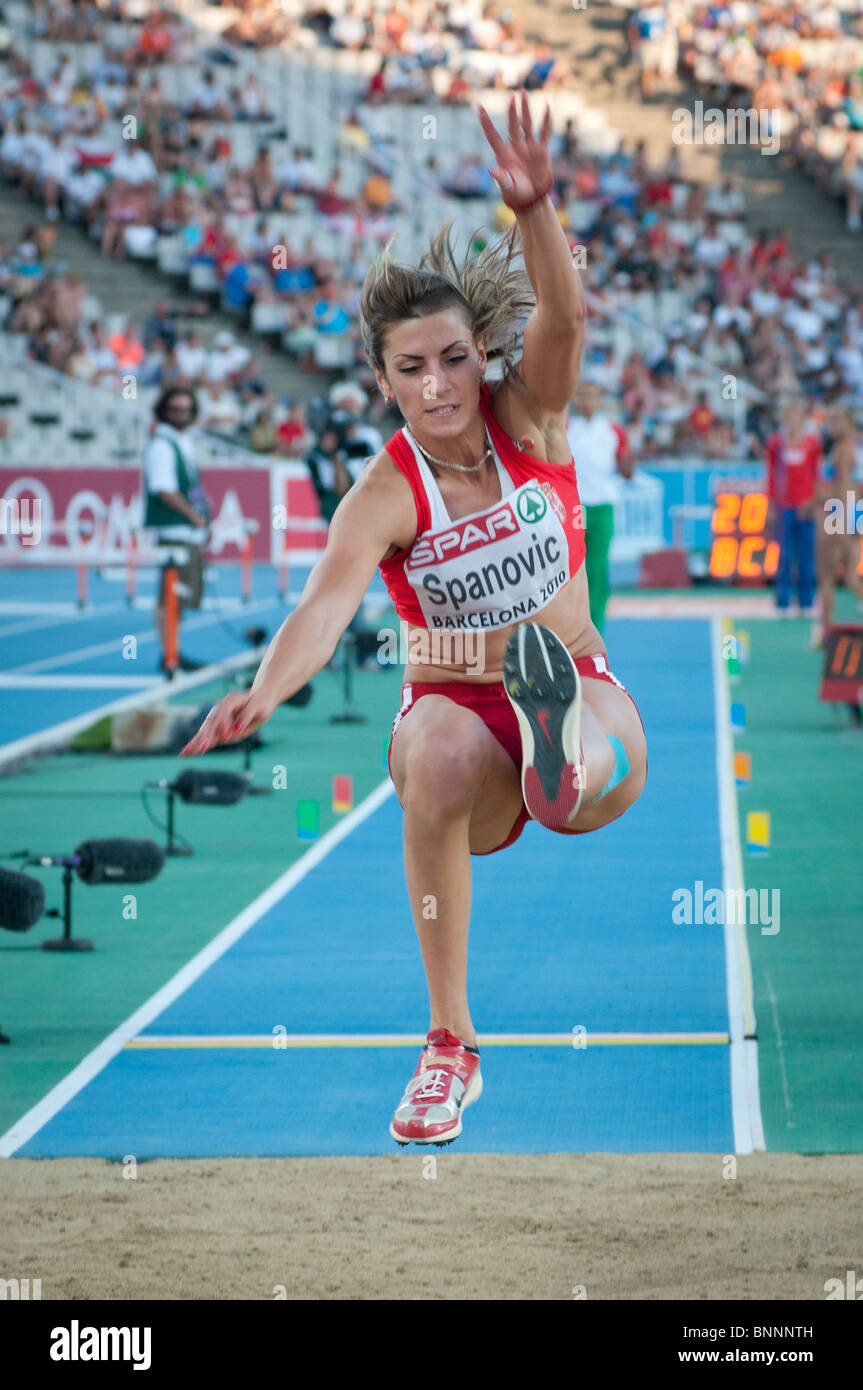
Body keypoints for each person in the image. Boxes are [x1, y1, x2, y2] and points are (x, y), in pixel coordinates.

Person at [179, 92, 648, 1146]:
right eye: (410, 367)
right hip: (456, 707)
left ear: (481, 351)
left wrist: (533, 212)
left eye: (452, 357)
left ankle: (561, 755)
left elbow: (565, 321)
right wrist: (265, 689)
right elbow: (322, 608)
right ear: (381, 379)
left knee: (592, 776)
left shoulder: (527, 418)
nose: (437, 385)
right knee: (430, 750)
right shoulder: (382, 494)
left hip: (578, 676)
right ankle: (449, 1045)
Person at [142, 388, 210, 672]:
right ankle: (168, 654)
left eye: (186, 409)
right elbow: (163, 488)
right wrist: (192, 515)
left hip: (185, 529)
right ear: (164, 411)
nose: (181, 415)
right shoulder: (162, 445)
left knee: (180, 596)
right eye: (175, 409)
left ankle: (174, 650)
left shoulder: (181, 441)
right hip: (174, 530)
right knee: (169, 593)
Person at [566, 381, 635, 632]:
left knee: (598, 567)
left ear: (599, 399)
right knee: (572, 568)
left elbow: (626, 469)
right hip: (576, 507)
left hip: (603, 505)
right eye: (582, 395)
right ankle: (571, 625)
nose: (587, 401)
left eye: (592, 396)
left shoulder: (613, 430)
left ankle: (595, 627)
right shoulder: (566, 428)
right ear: (575, 399)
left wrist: (630, 464)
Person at [765, 399, 822, 615]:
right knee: (785, 555)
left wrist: (813, 501)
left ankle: (806, 601)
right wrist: (771, 504)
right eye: (789, 416)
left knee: (806, 556)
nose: (793, 421)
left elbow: (815, 475)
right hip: (784, 506)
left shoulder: (811, 444)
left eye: (796, 416)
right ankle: (783, 600)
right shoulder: (776, 444)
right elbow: (770, 475)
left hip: (805, 506)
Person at [813, 405, 863, 644]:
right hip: (853, 511)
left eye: (835, 420)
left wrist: (839, 522)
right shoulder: (854, 447)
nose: (830, 425)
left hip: (841, 513)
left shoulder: (843, 449)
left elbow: (842, 486)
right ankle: (826, 630)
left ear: (847, 423)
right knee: (851, 578)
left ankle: (827, 632)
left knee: (827, 577)